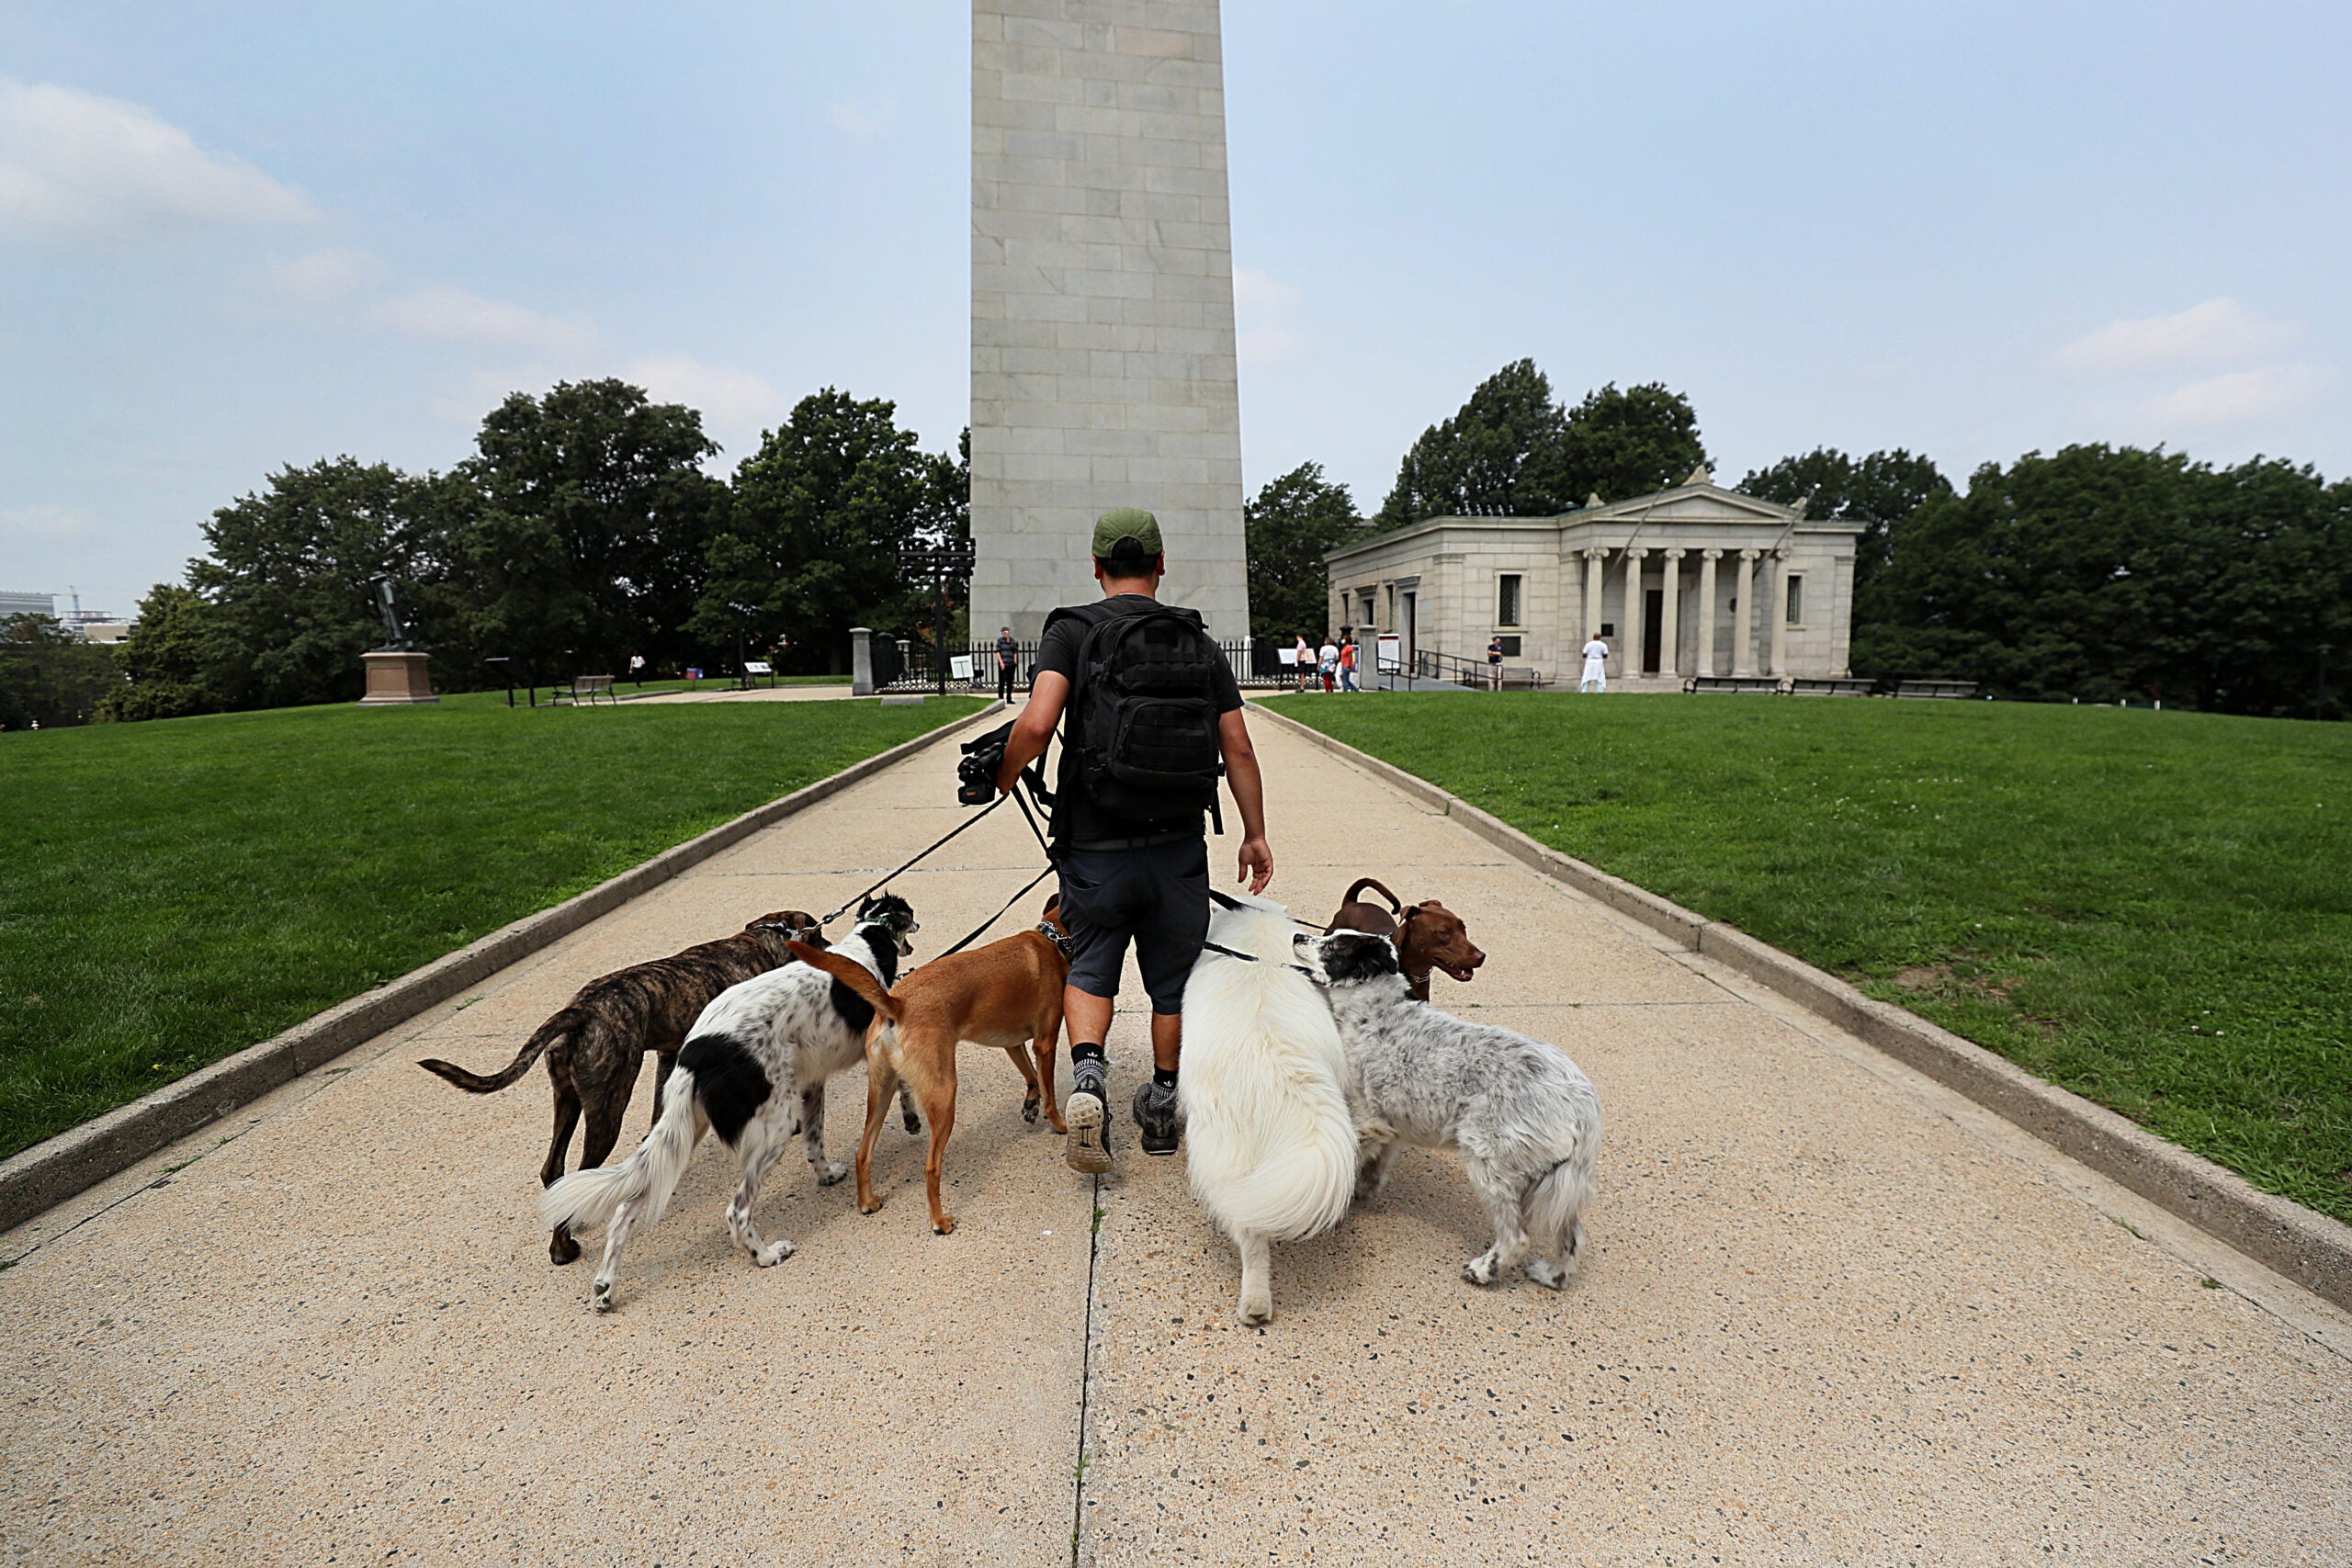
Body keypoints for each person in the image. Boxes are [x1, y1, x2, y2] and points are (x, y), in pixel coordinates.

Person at [994, 508, 1274, 1174]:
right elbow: (1237, 743)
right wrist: (1254, 833)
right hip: (1177, 844)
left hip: (1095, 845)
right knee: (1172, 983)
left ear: (1096, 566)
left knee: (1090, 966)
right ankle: (1162, 1106)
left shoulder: (1072, 630)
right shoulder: (1197, 642)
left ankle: (1088, 1080)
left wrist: (1004, 774)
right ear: (1161, 562)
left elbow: (1036, 724)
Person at [995, 625, 1020, 703]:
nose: (1005, 634)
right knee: (1002, 682)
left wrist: (1015, 661)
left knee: (1010, 682)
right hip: (1003, 664)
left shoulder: (1012, 641)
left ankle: (1009, 698)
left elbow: (1015, 651)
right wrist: (1001, 662)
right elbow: (997, 652)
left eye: (1006, 632)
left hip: (1011, 664)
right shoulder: (1000, 641)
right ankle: (1001, 698)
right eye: (1004, 633)